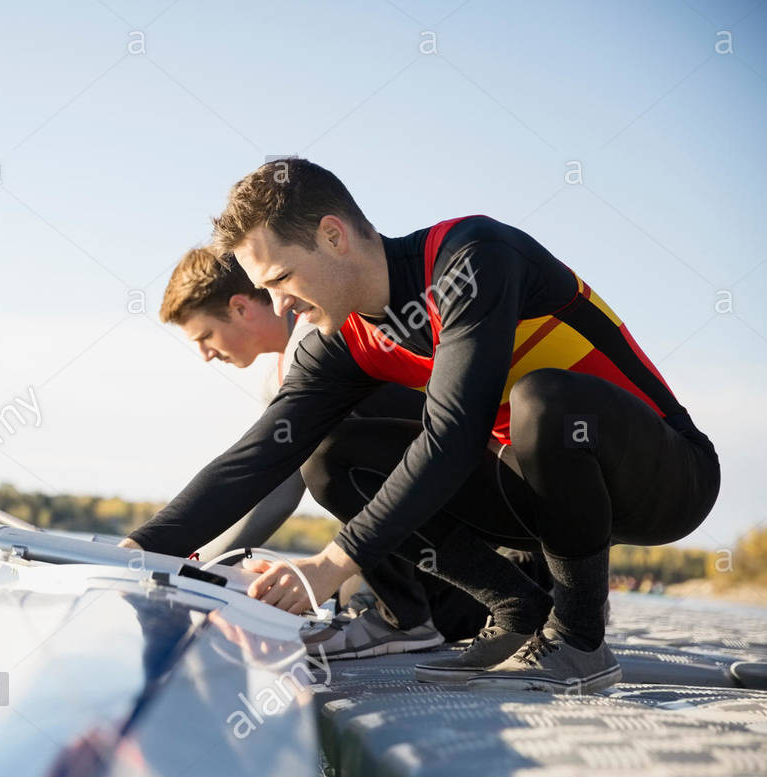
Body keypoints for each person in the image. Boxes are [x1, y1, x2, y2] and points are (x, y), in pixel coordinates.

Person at [123, 158, 719, 693]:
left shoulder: (471, 258)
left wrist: (332, 565)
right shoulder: (341, 340)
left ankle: (580, 641)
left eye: (280, 280)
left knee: (542, 400)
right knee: (331, 457)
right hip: (540, 496)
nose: (279, 307)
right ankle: (519, 612)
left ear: (333, 237)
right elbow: (257, 457)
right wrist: (139, 553)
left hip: (666, 478)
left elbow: (453, 434)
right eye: (264, 290)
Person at [154, 247, 489, 657]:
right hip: (433, 563)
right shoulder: (279, 376)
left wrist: (187, 565)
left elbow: (297, 472)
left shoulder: (320, 340)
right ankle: (401, 612)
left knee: (331, 455)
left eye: (205, 336)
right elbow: (277, 489)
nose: (206, 355)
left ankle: (407, 619)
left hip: (483, 559)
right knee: (344, 595)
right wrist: (200, 567)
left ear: (240, 308)